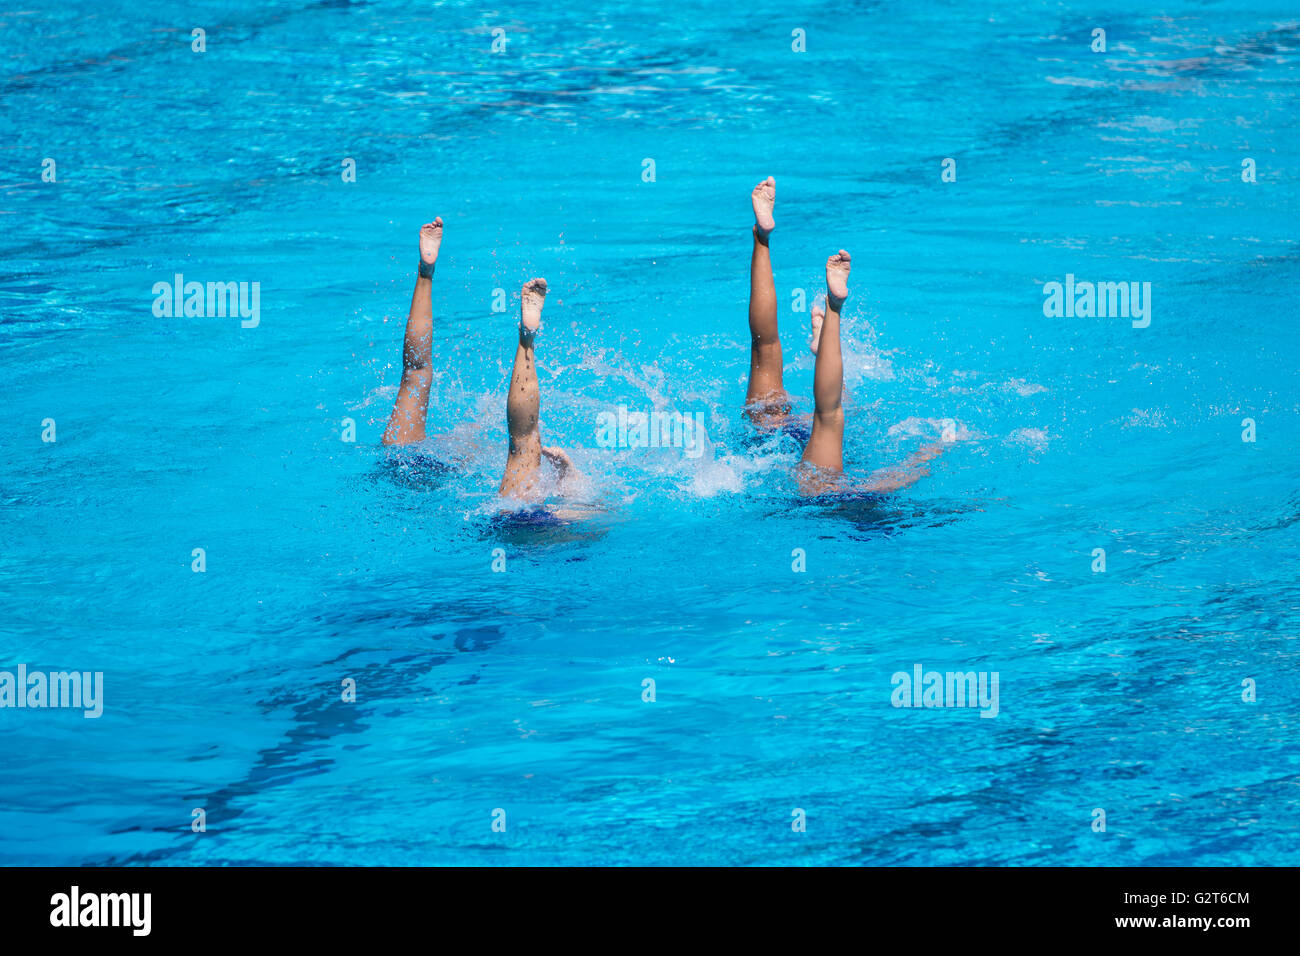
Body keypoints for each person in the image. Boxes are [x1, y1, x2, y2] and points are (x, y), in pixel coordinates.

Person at [743, 177, 948, 496]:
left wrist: (928, 456)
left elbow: (890, 480)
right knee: (768, 353)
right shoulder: (835, 496)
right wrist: (927, 455)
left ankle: (830, 308)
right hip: (775, 446)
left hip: (790, 460)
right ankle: (766, 242)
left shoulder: (842, 495)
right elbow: (886, 482)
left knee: (827, 410)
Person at [381, 219, 578, 502]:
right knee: (522, 440)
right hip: (519, 523)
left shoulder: (565, 523)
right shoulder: (552, 525)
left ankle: (427, 273)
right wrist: (566, 473)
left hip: (401, 465)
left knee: (416, 374)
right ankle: (526, 338)